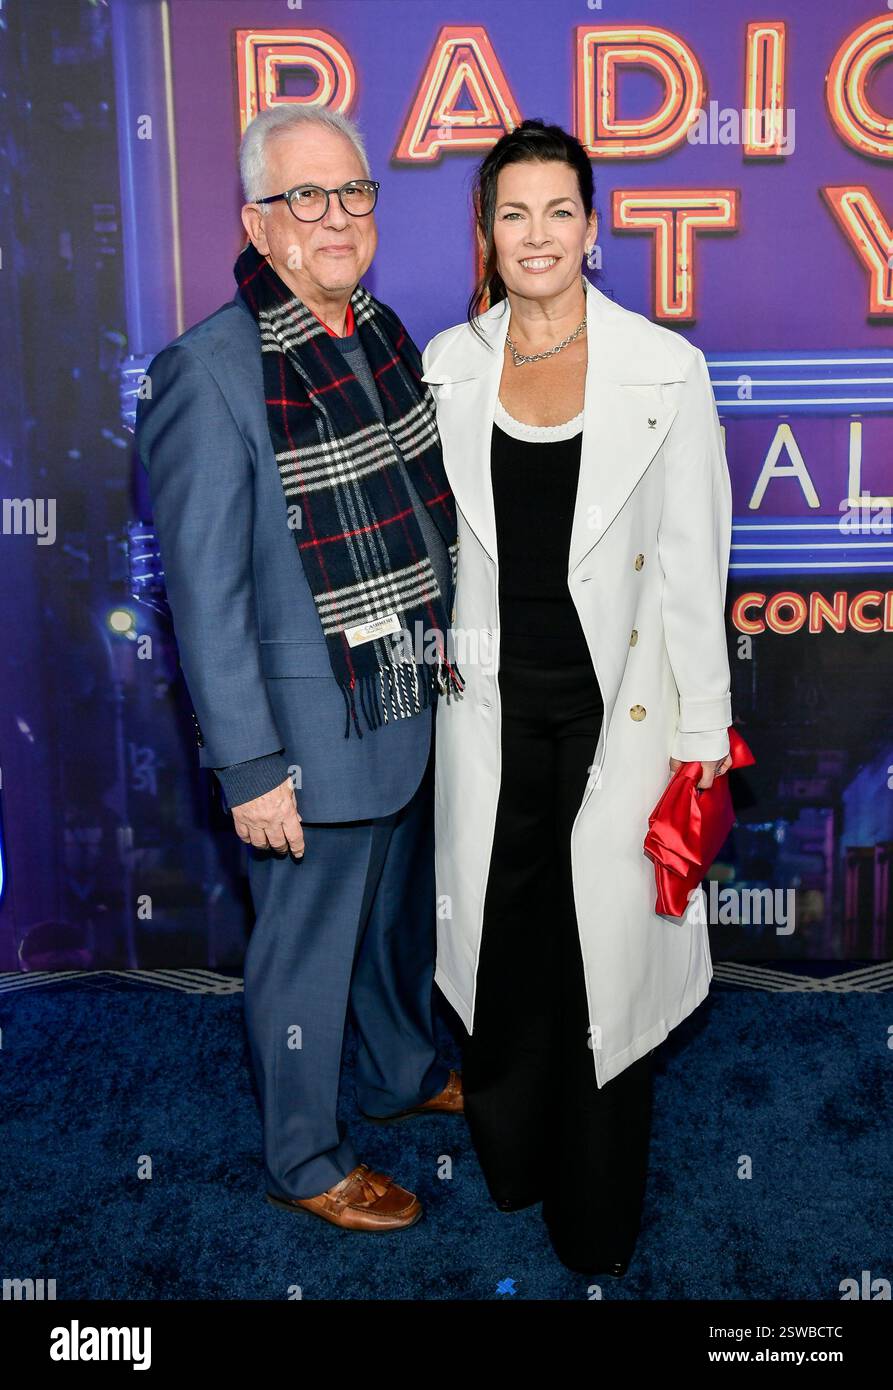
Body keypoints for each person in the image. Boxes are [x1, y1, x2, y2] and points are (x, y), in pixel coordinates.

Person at [136, 106, 465, 1233]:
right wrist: (250, 764)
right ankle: (303, 1155)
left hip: (402, 696)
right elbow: (204, 597)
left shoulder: (378, 333)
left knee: (388, 927)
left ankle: (401, 1071)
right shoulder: (208, 371)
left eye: (352, 194)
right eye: (303, 199)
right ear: (256, 224)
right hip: (299, 734)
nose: (334, 218)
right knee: (304, 955)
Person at [422, 119, 734, 1274]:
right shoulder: (449, 366)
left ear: (592, 228)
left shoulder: (664, 368)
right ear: (487, 233)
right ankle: (510, 1155)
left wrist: (703, 730)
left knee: (601, 955)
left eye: (559, 211)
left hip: (624, 717)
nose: (536, 234)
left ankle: (593, 1203)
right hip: (491, 711)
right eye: (513, 213)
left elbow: (697, 565)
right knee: (507, 944)